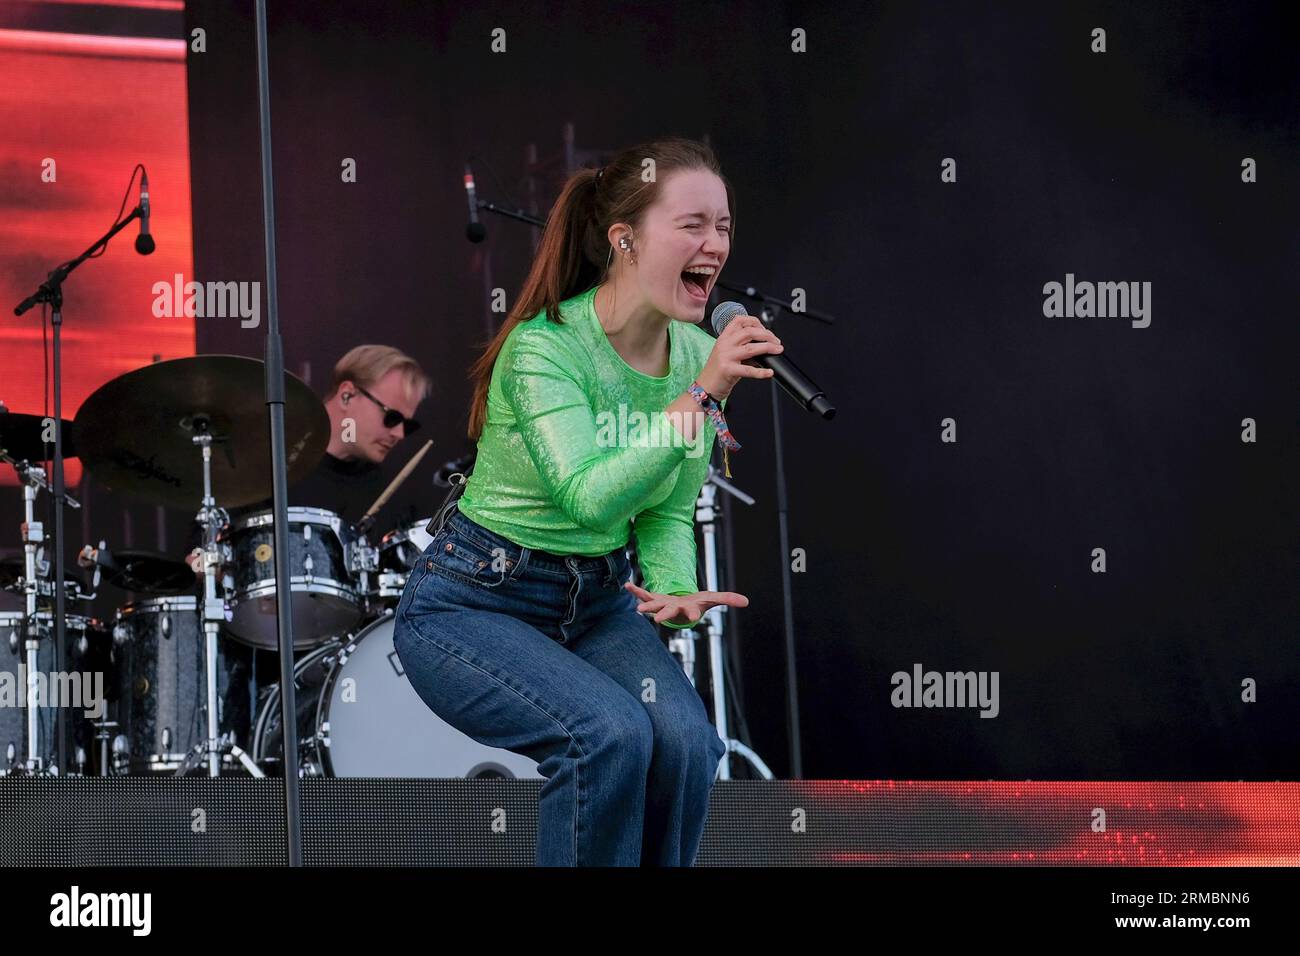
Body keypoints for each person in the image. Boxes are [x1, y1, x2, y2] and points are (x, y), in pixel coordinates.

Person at [392, 137, 783, 866]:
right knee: (608, 735)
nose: (716, 244)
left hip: (595, 602)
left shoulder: (695, 354)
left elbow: (665, 509)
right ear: (624, 239)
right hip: (475, 600)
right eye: (693, 225)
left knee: (688, 745)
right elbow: (588, 499)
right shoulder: (545, 350)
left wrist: (674, 587)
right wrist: (701, 396)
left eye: (724, 226)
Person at [205, 345, 431, 747]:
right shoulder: (268, 465)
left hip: (360, 679)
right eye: (391, 417)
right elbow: (208, 547)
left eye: (407, 425)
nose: (398, 434)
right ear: (347, 395)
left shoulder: (398, 495)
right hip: (260, 667)